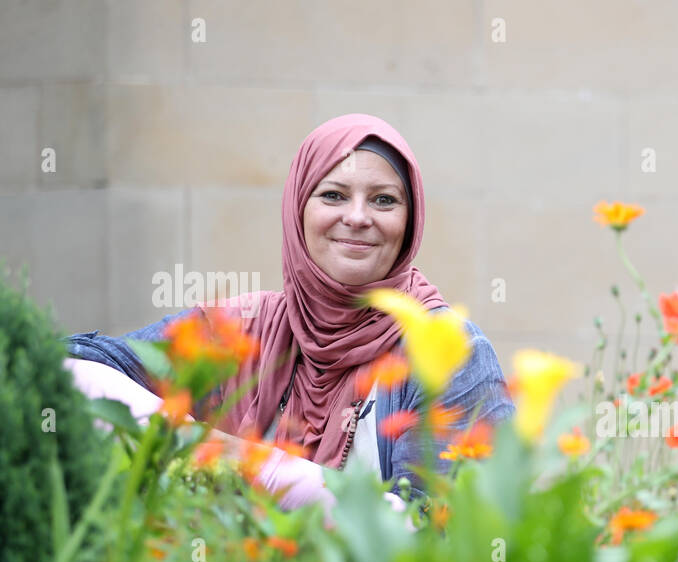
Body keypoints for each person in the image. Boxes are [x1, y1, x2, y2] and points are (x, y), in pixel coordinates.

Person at [63, 114, 513, 511]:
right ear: (298, 210)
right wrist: (190, 442)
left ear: (409, 222)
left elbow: (442, 536)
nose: (357, 217)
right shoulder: (242, 329)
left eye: (383, 200)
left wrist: (259, 471)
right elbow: (74, 366)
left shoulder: (447, 352)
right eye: (334, 195)